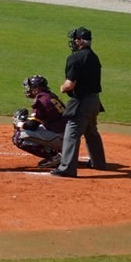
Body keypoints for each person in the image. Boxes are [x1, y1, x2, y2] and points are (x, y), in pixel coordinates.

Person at [51, 27, 106, 178]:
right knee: (91, 131)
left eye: (75, 40)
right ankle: (99, 162)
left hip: (81, 102)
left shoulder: (75, 58)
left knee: (72, 133)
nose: (74, 42)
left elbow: (70, 85)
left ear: (80, 41)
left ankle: (67, 168)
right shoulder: (94, 57)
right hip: (95, 101)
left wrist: (62, 88)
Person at [11, 75, 66, 169]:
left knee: (19, 137)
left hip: (60, 137)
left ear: (36, 89)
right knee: (36, 128)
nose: (28, 90)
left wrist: (19, 122)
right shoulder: (50, 95)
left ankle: (55, 157)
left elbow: (32, 126)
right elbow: (39, 120)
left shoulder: (41, 101)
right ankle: (60, 154)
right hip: (67, 136)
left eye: (30, 88)